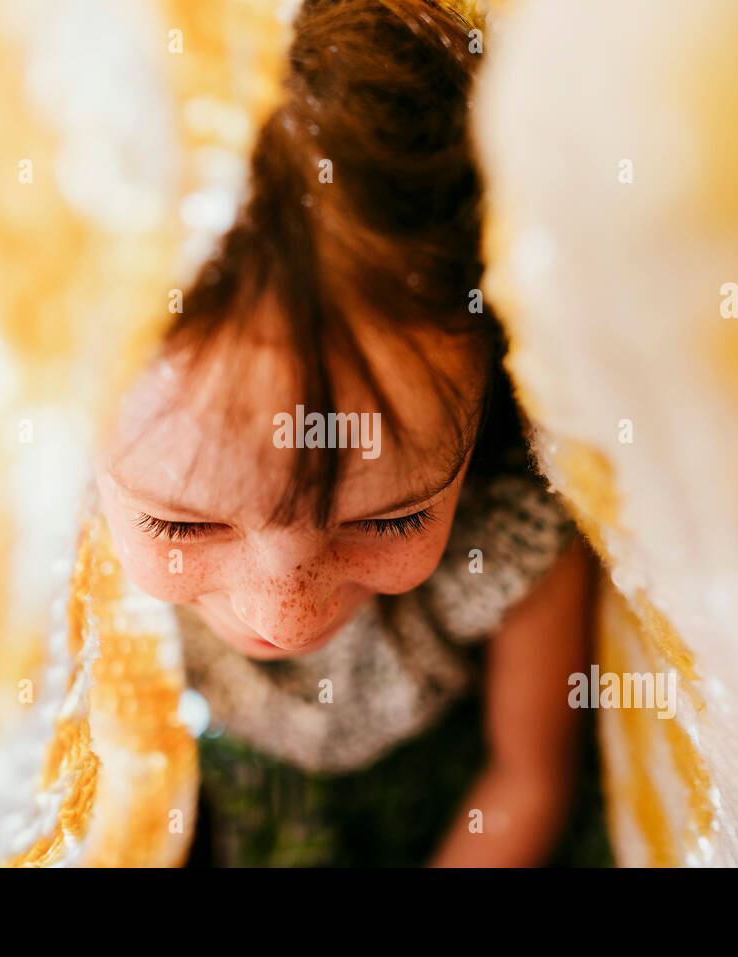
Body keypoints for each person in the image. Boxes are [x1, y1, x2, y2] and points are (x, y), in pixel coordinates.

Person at [94, 0, 609, 866]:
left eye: (392, 519)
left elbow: (529, 782)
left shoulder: (515, 544)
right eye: (183, 525)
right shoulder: (56, 542)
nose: (286, 616)